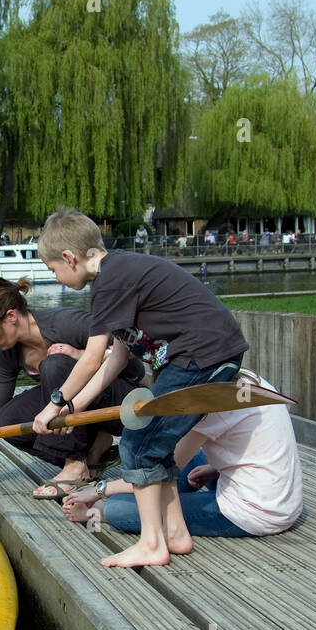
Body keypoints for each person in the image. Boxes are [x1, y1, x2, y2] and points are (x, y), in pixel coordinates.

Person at [35, 207, 248, 568]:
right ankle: (175, 534)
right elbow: (117, 356)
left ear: (69, 257)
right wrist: (78, 408)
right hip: (200, 355)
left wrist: (54, 403)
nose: (56, 279)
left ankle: (152, 545)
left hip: (202, 355)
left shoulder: (110, 282)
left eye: (54, 270)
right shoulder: (119, 273)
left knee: (139, 443)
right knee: (157, 445)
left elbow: (90, 357)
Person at [0, 276, 145, 506]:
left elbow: (133, 354)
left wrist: (79, 355)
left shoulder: (65, 323)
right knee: (7, 420)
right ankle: (94, 452)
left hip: (128, 402)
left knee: (54, 364)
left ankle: (74, 464)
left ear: (11, 316)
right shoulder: (7, 355)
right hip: (79, 410)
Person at [61, 370, 302, 539]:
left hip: (254, 513)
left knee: (119, 508)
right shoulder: (249, 382)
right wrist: (215, 468)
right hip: (279, 498)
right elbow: (252, 442)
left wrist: (100, 489)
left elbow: (154, 471)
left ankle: (97, 513)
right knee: (187, 459)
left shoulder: (208, 407)